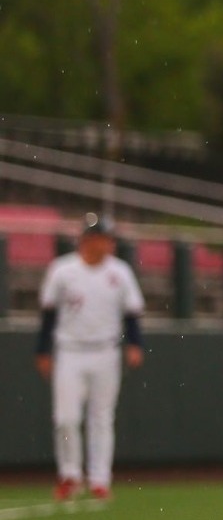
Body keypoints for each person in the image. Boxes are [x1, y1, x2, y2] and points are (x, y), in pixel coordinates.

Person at [35, 213, 144, 503]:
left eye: (110, 239)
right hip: (69, 351)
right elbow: (48, 314)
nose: (109, 244)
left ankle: (99, 480)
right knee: (66, 419)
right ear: (87, 240)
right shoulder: (62, 270)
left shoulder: (119, 272)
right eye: (104, 238)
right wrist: (43, 350)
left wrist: (135, 344)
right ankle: (70, 475)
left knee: (101, 418)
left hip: (105, 351)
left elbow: (132, 313)